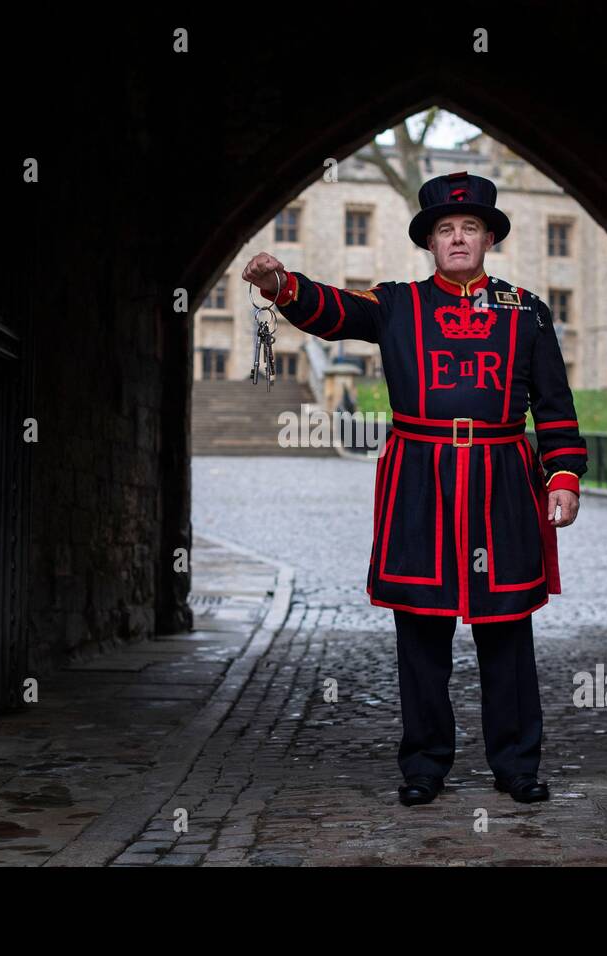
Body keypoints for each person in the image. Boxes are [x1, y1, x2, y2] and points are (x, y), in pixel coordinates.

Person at [241, 170, 587, 806]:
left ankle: (516, 765)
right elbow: (334, 311)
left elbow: (555, 406)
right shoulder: (396, 303)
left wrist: (562, 474)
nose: (458, 239)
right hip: (419, 481)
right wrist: (281, 285)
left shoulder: (528, 311)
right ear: (430, 242)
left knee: (507, 627)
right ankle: (424, 765)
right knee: (421, 631)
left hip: (501, 480)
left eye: (470, 229)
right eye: (445, 230)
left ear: (490, 239)